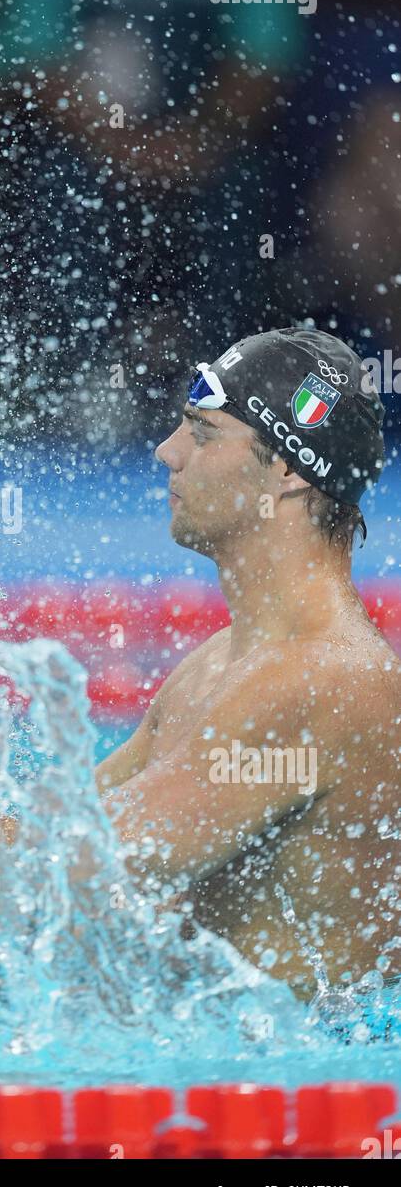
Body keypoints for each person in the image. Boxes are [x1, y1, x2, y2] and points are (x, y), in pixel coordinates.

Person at [95, 327, 401, 1024]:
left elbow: (72, 875)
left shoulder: (325, 680)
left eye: (203, 436)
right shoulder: (216, 665)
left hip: (305, 1107)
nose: (166, 451)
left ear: (288, 473)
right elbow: (55, 837)